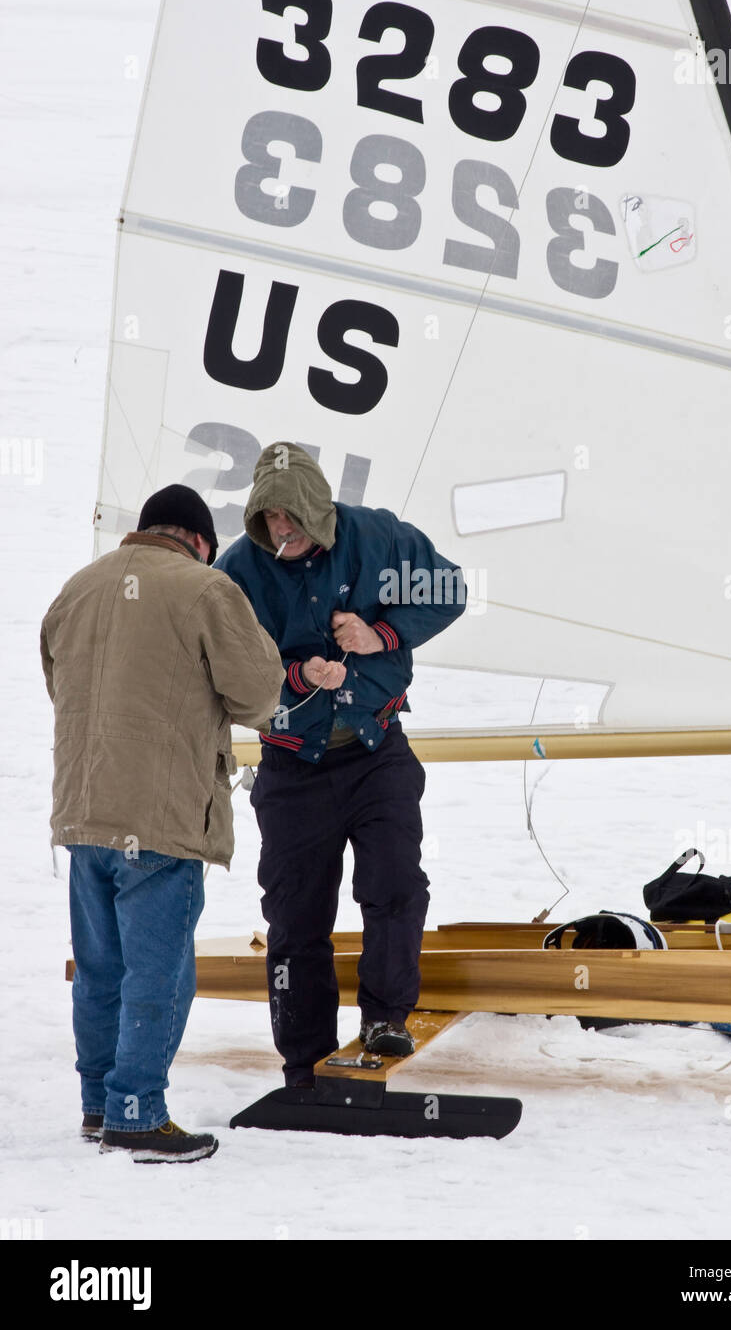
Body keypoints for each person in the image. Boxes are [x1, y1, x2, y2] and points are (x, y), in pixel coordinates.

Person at [40, 484, 285, 1162]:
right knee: (159, 970)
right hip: (162, 814)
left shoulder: (79, 587)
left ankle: (99, 1106)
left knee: (99, 971)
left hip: (85, 810)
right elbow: (258, 695)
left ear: (145, 531)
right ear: (201, 541)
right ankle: (137, 1113)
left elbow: (61, 682)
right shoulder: (205, 590)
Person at [215, 442, 466, 1086]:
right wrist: (296, 674)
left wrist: (380, 634)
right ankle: (303, 1057)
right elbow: (226, 669)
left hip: (377, 752)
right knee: (296, 916)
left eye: (292, 518)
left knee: (394, 887)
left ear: (319, 510)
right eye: (269, 519)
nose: (281, 532)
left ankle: (385, 1019)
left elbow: (450, 590)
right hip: (292, 767)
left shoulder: (378, 537)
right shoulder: (239, 569)